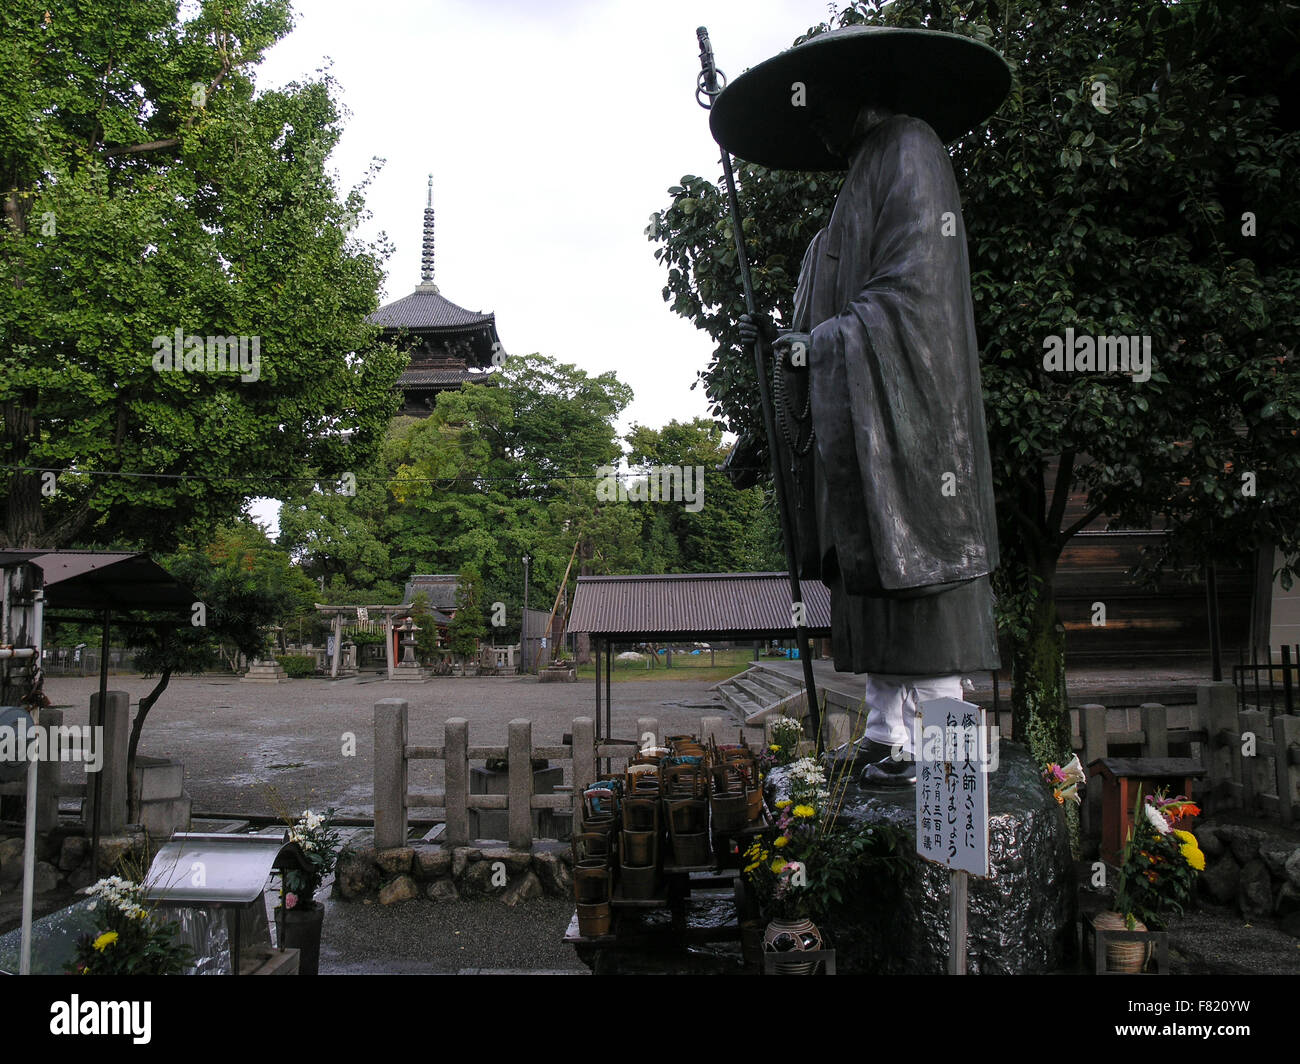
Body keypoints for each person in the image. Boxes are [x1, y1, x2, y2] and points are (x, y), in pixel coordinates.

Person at [718, 26, 1011, 784]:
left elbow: (916, 300)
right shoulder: (843, 199)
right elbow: (811, 331)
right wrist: (782, 343)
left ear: (861, 88)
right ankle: (885, 731)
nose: (810, 118)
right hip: (856, 429)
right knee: (868, 584)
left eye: (818, 101)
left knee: (922, 583)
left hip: (909, 419)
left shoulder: (912, 147)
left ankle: (944, 745)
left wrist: (817, 345)